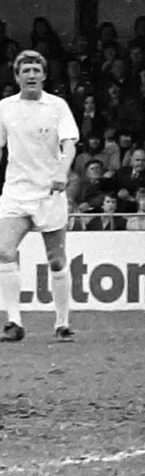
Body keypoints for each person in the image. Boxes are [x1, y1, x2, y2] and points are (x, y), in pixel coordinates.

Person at [0, 51, 79, 341]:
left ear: (44, 75)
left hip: (49, 192)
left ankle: (62, 323)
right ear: (17, 76)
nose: (31, 75)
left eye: (36, 70)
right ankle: (13, 322)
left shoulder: (57, 106)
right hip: (16, 192)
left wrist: (62, 171)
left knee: (56, 260)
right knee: (4, 252)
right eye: (26, 71)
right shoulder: (5, 108)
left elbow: (69, 144)